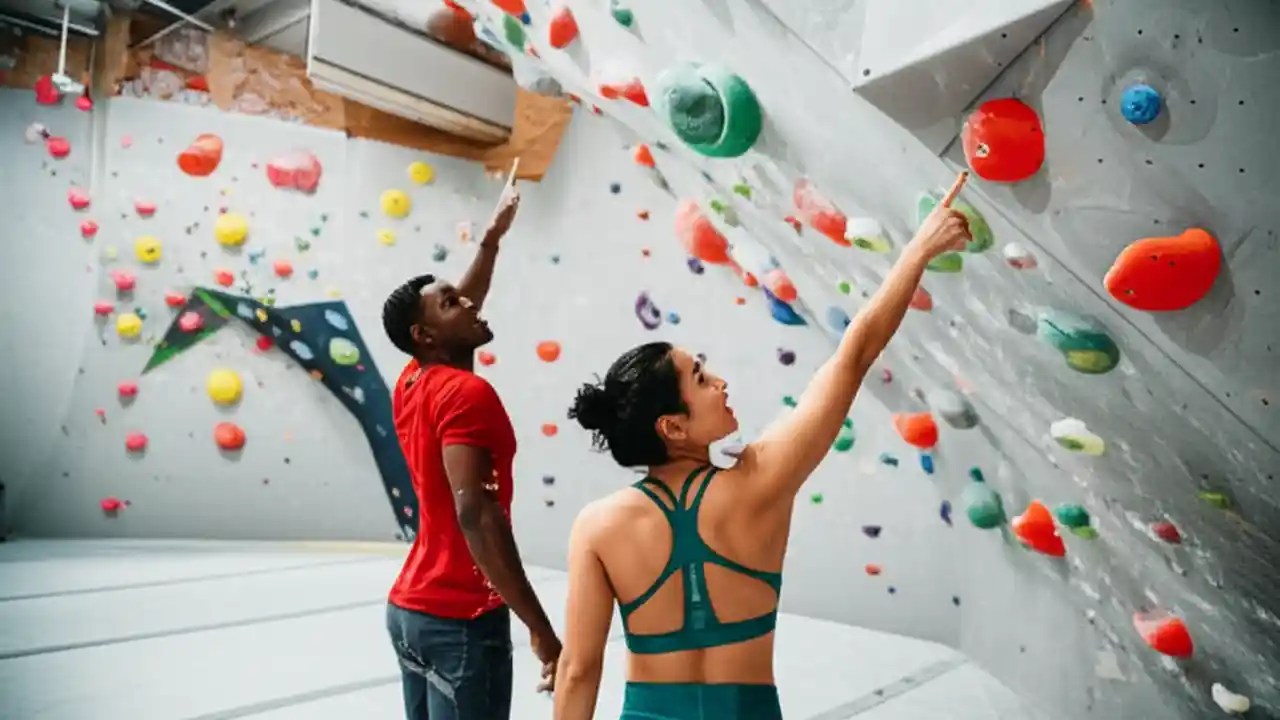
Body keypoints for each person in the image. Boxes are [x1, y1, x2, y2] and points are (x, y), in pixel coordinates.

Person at [553, 174, 974, 720]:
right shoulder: (762, 480)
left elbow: (578, 670)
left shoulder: (598, 526)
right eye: (701, 379)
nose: (721, 383)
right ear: (672, 427)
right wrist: (918, 250)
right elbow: (854, 354)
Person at [381, 182, 561, 720]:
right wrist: (540, 627)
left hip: (409, 613)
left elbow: (457, 317)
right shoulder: (467, 393)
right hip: (460, 621)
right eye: (451, 303)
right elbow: (475, 513)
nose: (468, 302)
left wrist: (491, 239)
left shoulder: (414, 380)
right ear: (427, 336)